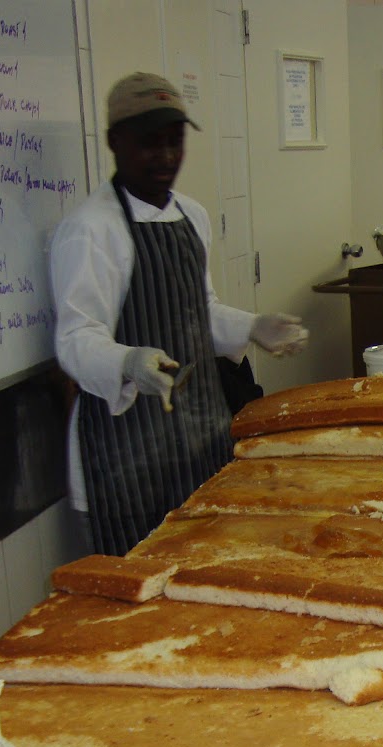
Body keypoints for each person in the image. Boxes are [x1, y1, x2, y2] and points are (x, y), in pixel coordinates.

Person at [51, 72, 309, 555]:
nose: (166, 157)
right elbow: (75, 338)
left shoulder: (192, 216)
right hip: (127, 457)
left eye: (175, 142)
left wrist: (251, 327)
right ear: (114, 142)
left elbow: (197, 312)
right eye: (150, 144)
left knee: (209, 571)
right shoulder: (90, 230)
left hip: (199, 441)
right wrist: (127, 363)